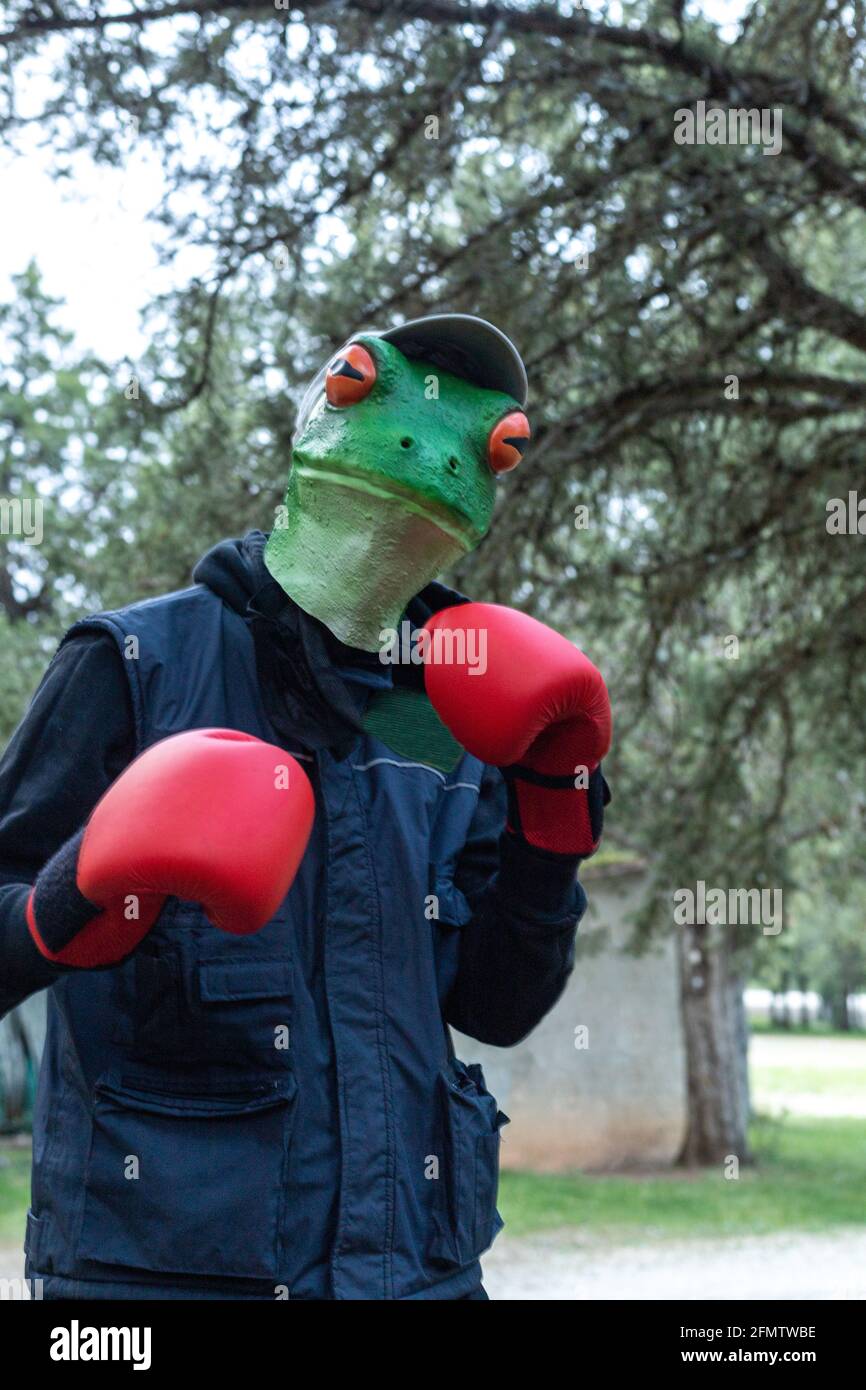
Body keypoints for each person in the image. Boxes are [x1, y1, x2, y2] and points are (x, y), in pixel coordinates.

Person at [0, 314, 611, 1301]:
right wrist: (72, 897)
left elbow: (498, 1006)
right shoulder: (133, 664)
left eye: (492, 442)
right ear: (316, 419)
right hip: (163, 1282)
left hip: (420, 1274)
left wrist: (555, 826)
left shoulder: (461, 717)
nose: (434, 445)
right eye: (370, 385)